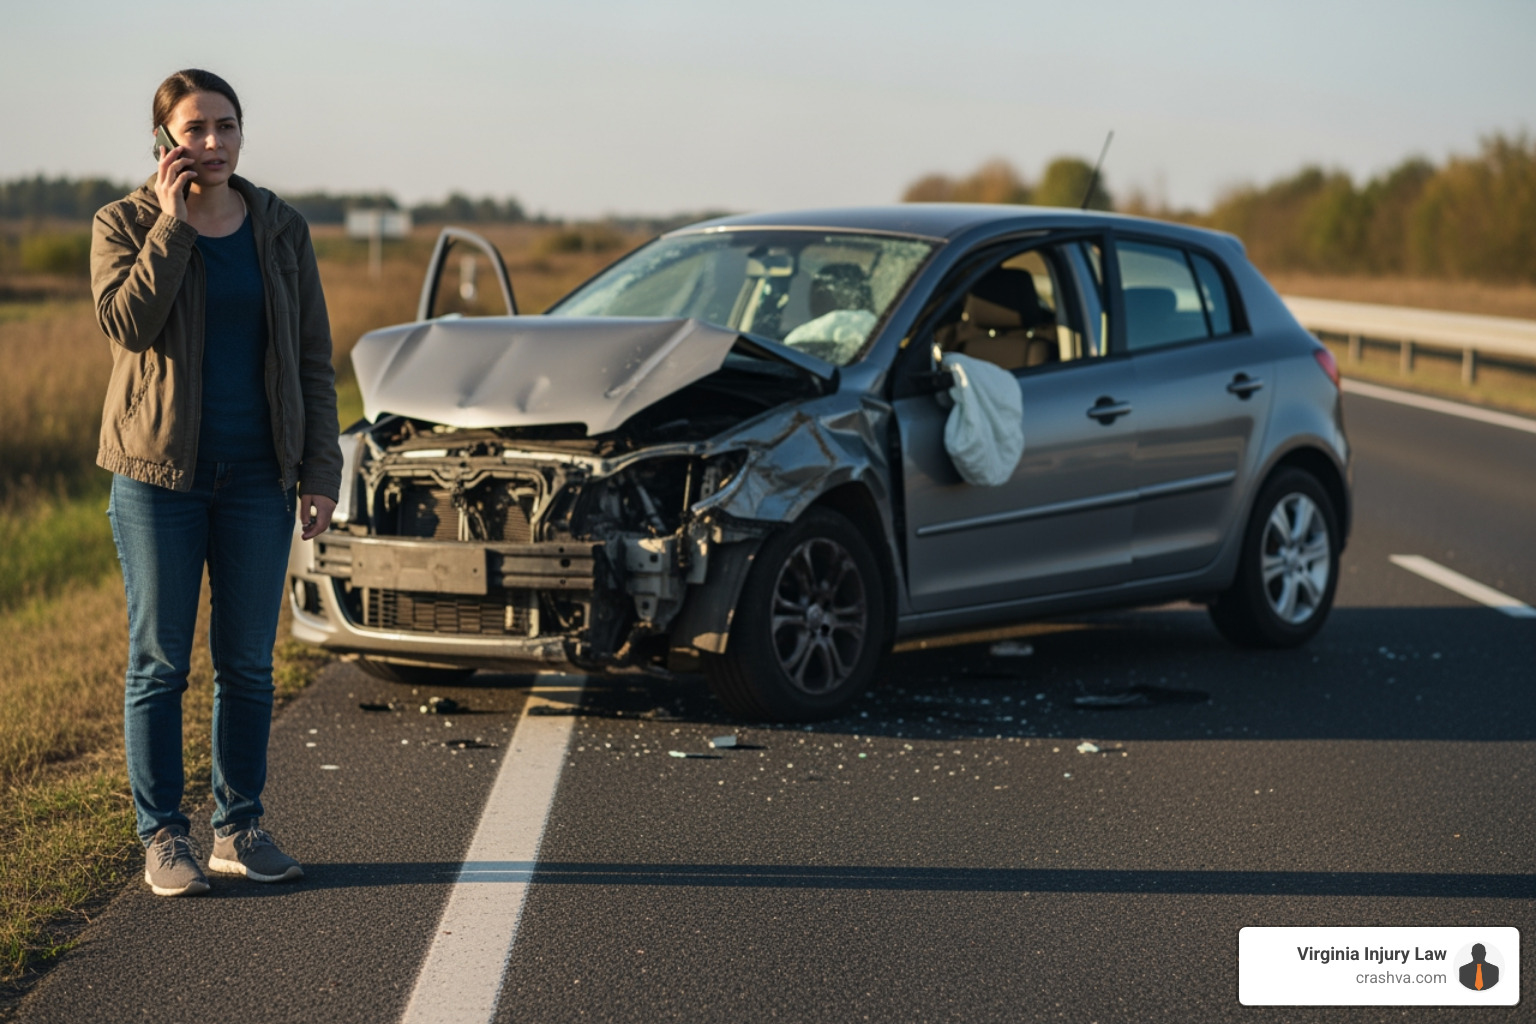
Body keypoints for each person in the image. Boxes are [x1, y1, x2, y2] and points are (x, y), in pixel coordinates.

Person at [90, 69, 343, 896]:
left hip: (259, 478)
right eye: (194, 129)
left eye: (226, 125)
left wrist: (320, 469)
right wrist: (172, 226)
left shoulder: (280, 227)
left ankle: (240, 827)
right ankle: (164, 834)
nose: (212, 142)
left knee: (248, 665)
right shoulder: (123, 223)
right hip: (159, 477)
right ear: (163, 141)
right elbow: (129, 325)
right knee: (161, 663)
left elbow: (312, 358)